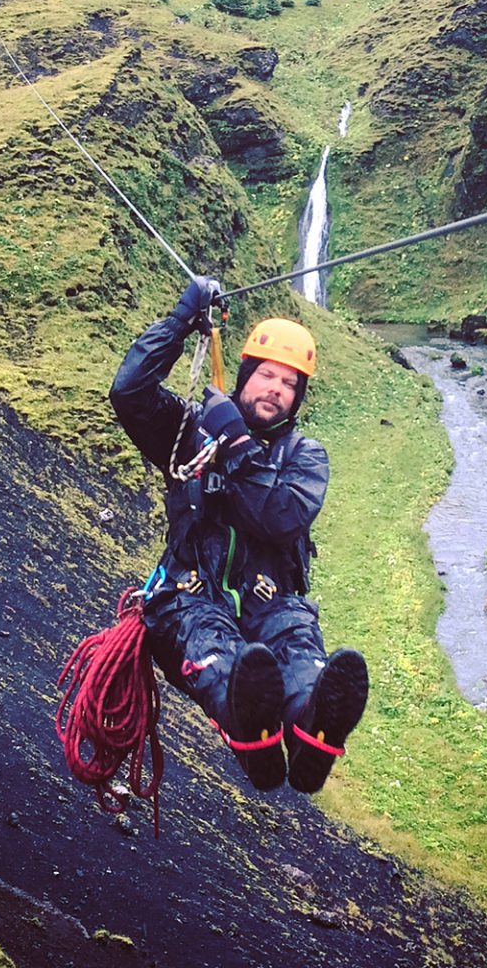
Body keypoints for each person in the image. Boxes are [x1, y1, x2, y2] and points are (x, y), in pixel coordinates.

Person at [109, 276, 368, 794]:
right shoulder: (191, 431)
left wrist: (238, 445)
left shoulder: (303, 457)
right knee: (224, 656)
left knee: (297, 655)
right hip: (190, 597)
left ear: (297, 399)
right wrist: (182, 319)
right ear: (245, 375)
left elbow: (282, 519)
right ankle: (252, 731)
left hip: (271, 602)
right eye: (267, 375)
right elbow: (129, 393)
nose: (276, 388)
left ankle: (311, 726)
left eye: (289, 383)